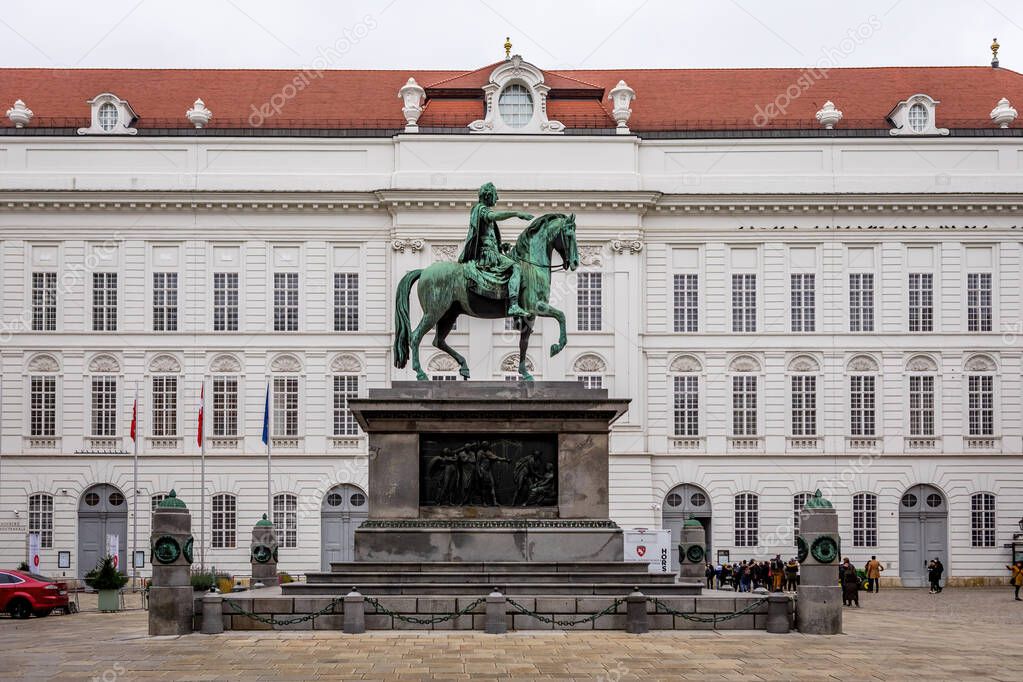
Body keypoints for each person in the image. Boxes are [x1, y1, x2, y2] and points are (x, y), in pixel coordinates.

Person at [458, 182, 533, 317]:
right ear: (488, 195)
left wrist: (500, 247)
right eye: (495, 195)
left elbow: (488, 236)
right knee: (516, 267)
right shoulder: (481, 209)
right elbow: (494, 216)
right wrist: (516, 213)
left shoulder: (481, 210)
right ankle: (514, 305)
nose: (497, 199)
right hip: (487, 255)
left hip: (493, 251)